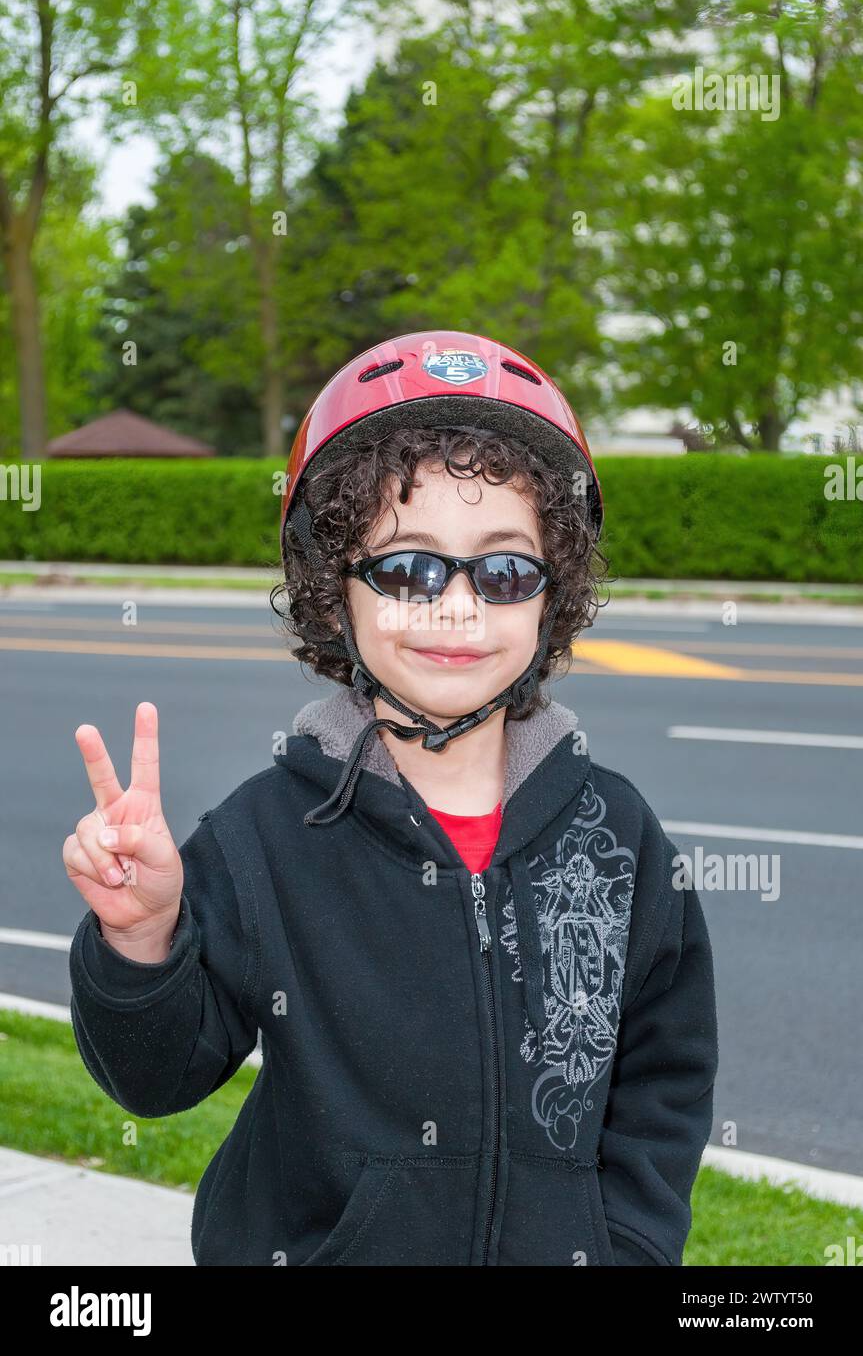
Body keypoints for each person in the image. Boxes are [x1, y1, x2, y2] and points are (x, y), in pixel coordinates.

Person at [65, 330, 719, 1267]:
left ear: (552, 593)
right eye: (408, 569)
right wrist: (141, 941)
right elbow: (155, 1077)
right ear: (337, 592)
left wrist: (624, 1248)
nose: (456, 608)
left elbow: (663, 1080)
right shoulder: (263, 837)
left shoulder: (618, 838)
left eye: (503, 571)